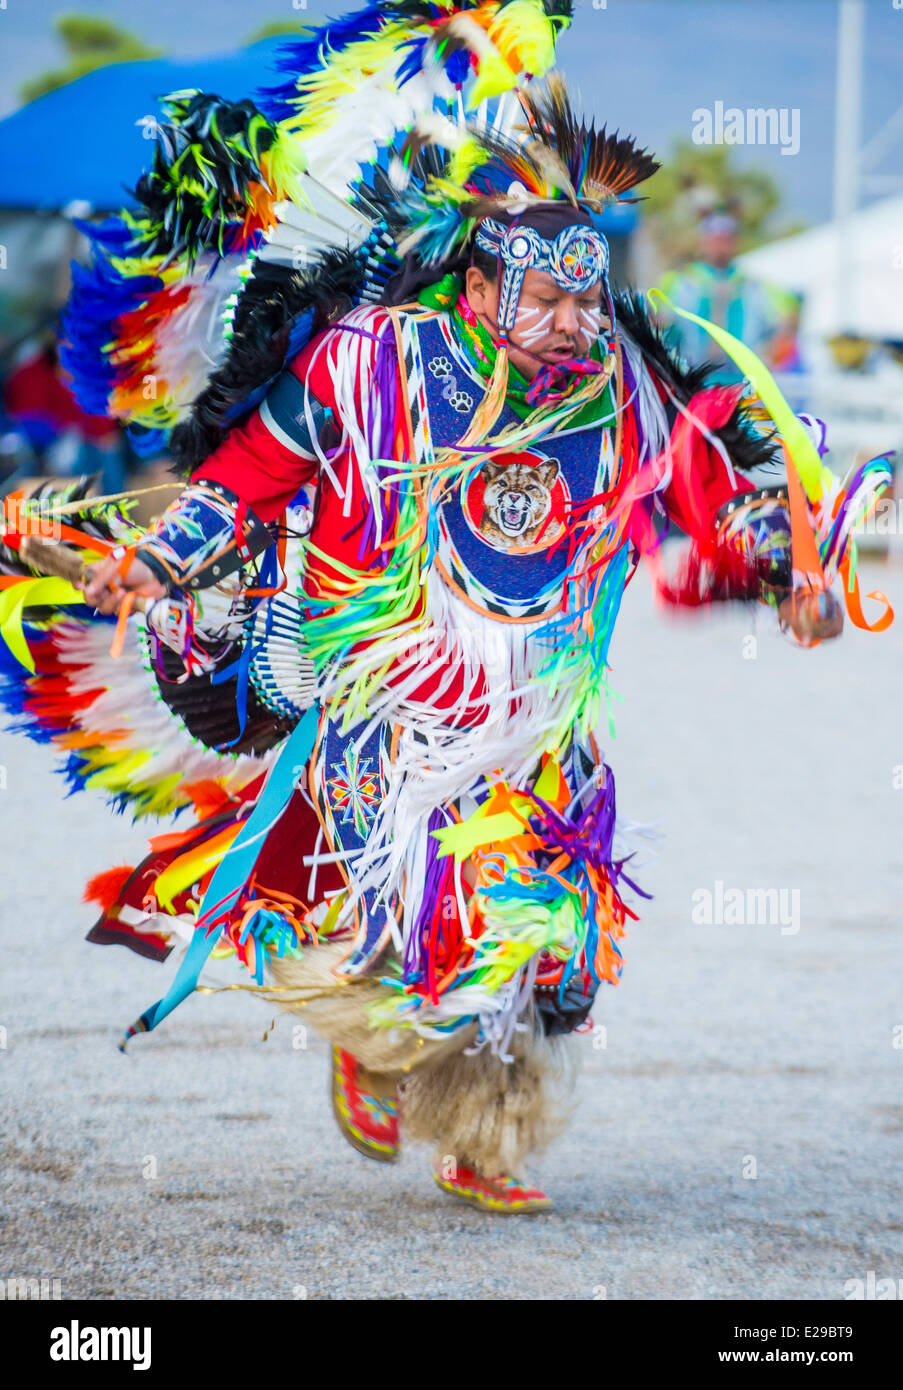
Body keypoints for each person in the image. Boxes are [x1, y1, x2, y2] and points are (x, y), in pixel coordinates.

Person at [0, 0, 890, 1214]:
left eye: (590, 298)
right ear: (478, 285)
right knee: (414, 930)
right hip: (391, 702)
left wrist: (792, 567)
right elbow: (245, 479)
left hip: (544, 714)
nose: (577, 323)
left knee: (553, 942)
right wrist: (154, 567)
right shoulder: (369, 364)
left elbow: (717, 496)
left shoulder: (621, 382)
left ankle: (490, 1129)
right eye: (549, 301)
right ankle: (385, 1047)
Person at [657, 210, 797, 383]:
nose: (720, 245)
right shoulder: (680, 283)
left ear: (736, 242)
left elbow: (785, 324)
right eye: (715, 238)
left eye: (726, 239)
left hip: (742, 382)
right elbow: (661, 327)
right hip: (693, 381)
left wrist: (768, 360)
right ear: (703, 241)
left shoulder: (754, 286)